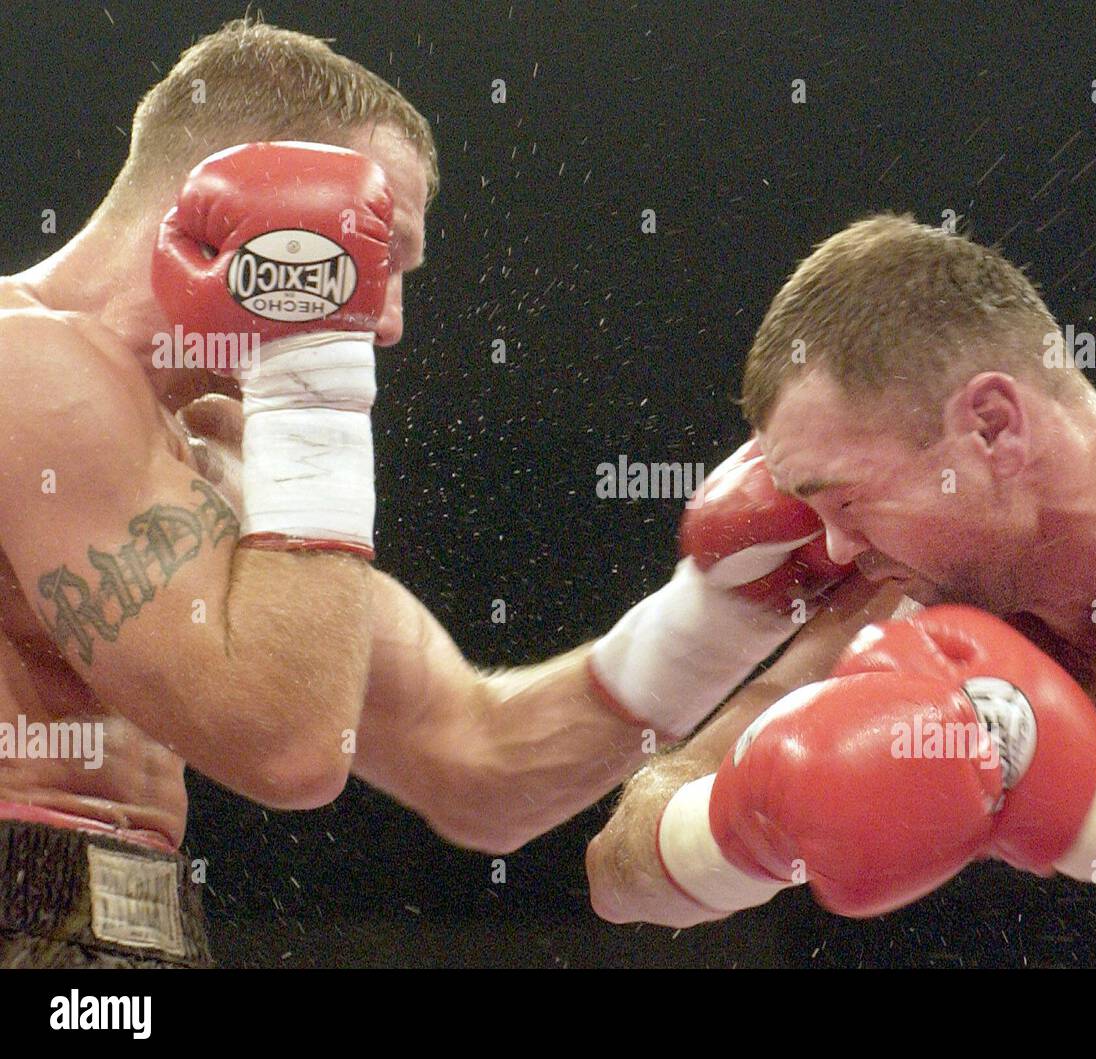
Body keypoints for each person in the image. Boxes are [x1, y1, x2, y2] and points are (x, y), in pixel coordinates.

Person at [0, 18, 856, 967]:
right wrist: (313, 372)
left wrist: (733, 606)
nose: (391, 322)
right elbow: (288, 749)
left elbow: (478, 764)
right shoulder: (27, 365)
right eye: (372, 254)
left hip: (123, 939)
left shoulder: (225, 449)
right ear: (238, 208)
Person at [586, 212, 1096, 968]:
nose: (832, 548)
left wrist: (1078, 802)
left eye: (846, 499)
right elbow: (616, 874)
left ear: (992, 427)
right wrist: (723, 828)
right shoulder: (933, 594)